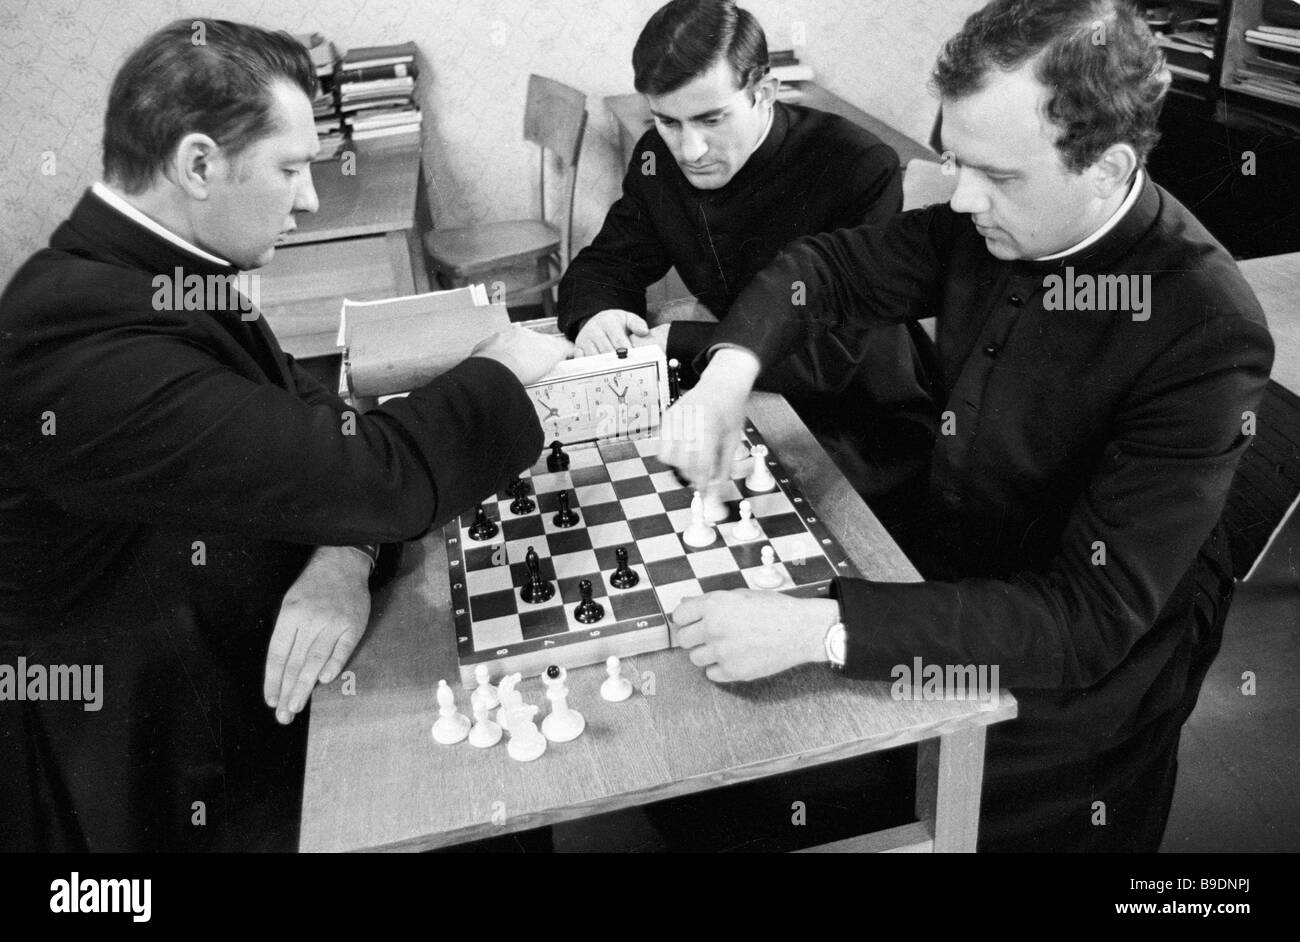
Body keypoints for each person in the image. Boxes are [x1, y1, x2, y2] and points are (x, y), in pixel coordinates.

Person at [659, 0, 1274, 852]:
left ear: (1108, 165)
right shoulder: (984, 219)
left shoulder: (1205, 327)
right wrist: (730, 372)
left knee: (792, 774)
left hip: (1084, 664)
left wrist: (818, 627)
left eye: (999, 176)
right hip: (964, 553)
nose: (963, 199)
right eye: (955, 161)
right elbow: (823, 270)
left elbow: (1087, 619)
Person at [0, 20, 572, 852]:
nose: (308, 199)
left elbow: (308, 416)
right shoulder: (77, 342)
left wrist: (342, 554)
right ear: (198, 164)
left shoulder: (163, 269)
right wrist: (503, 362)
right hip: (143, 757)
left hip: (233, 658)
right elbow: (372, 478)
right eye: (292, 168)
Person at [558, 0, 937, 540]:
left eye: (711, 120)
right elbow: (607, 261)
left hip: (862, 423)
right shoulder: (656, 158)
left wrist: (676, 341)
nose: (690, 150)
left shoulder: (856, 165)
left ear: (764, 92)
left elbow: (836, 356)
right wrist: (598, 312)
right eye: (668, 122)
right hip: (748, 394)